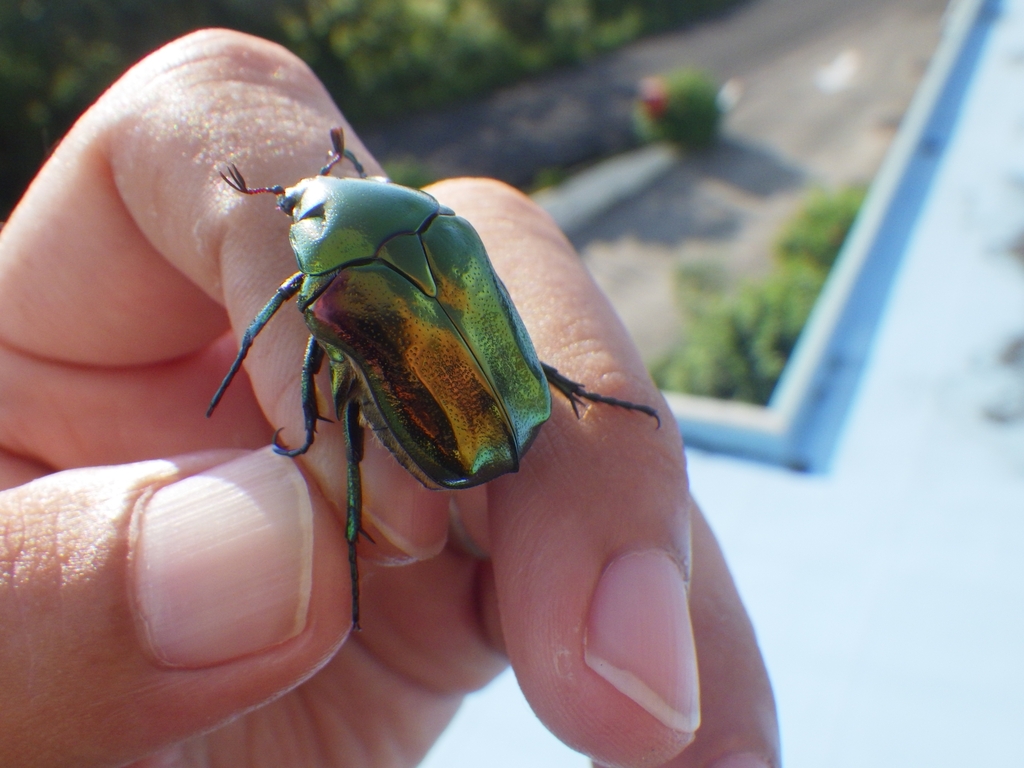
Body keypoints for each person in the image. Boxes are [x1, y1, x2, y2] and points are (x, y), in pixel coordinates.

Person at [0, 29, 779, 768]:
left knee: (332, 406)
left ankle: (348, 484)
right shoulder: (438, 227)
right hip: (500, 416)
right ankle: (550, 400)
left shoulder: (325, 295)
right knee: (344, 389)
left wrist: (300, 441)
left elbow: (303, 365)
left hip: (451, 442)